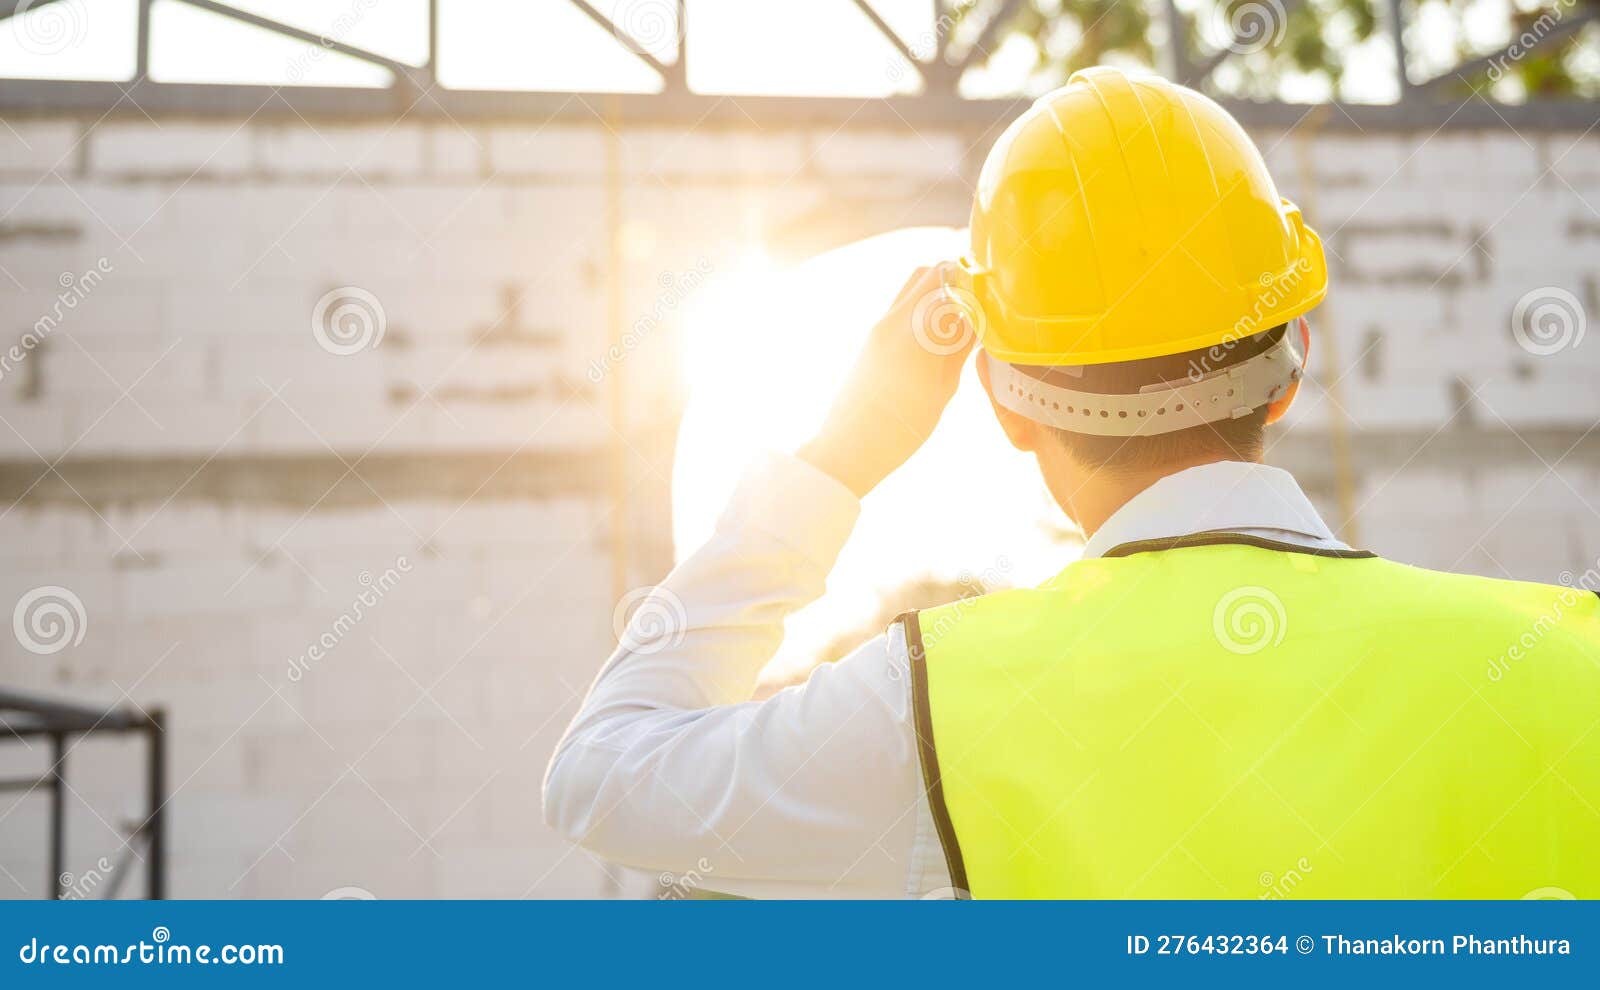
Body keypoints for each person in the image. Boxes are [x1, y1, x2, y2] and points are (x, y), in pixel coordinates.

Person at [543, 68, 1600, 899]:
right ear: (1290, 367)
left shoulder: (935, 701)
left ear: (1007, 407)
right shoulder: (1567, 654)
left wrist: (838, 455)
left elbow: (604, 774)